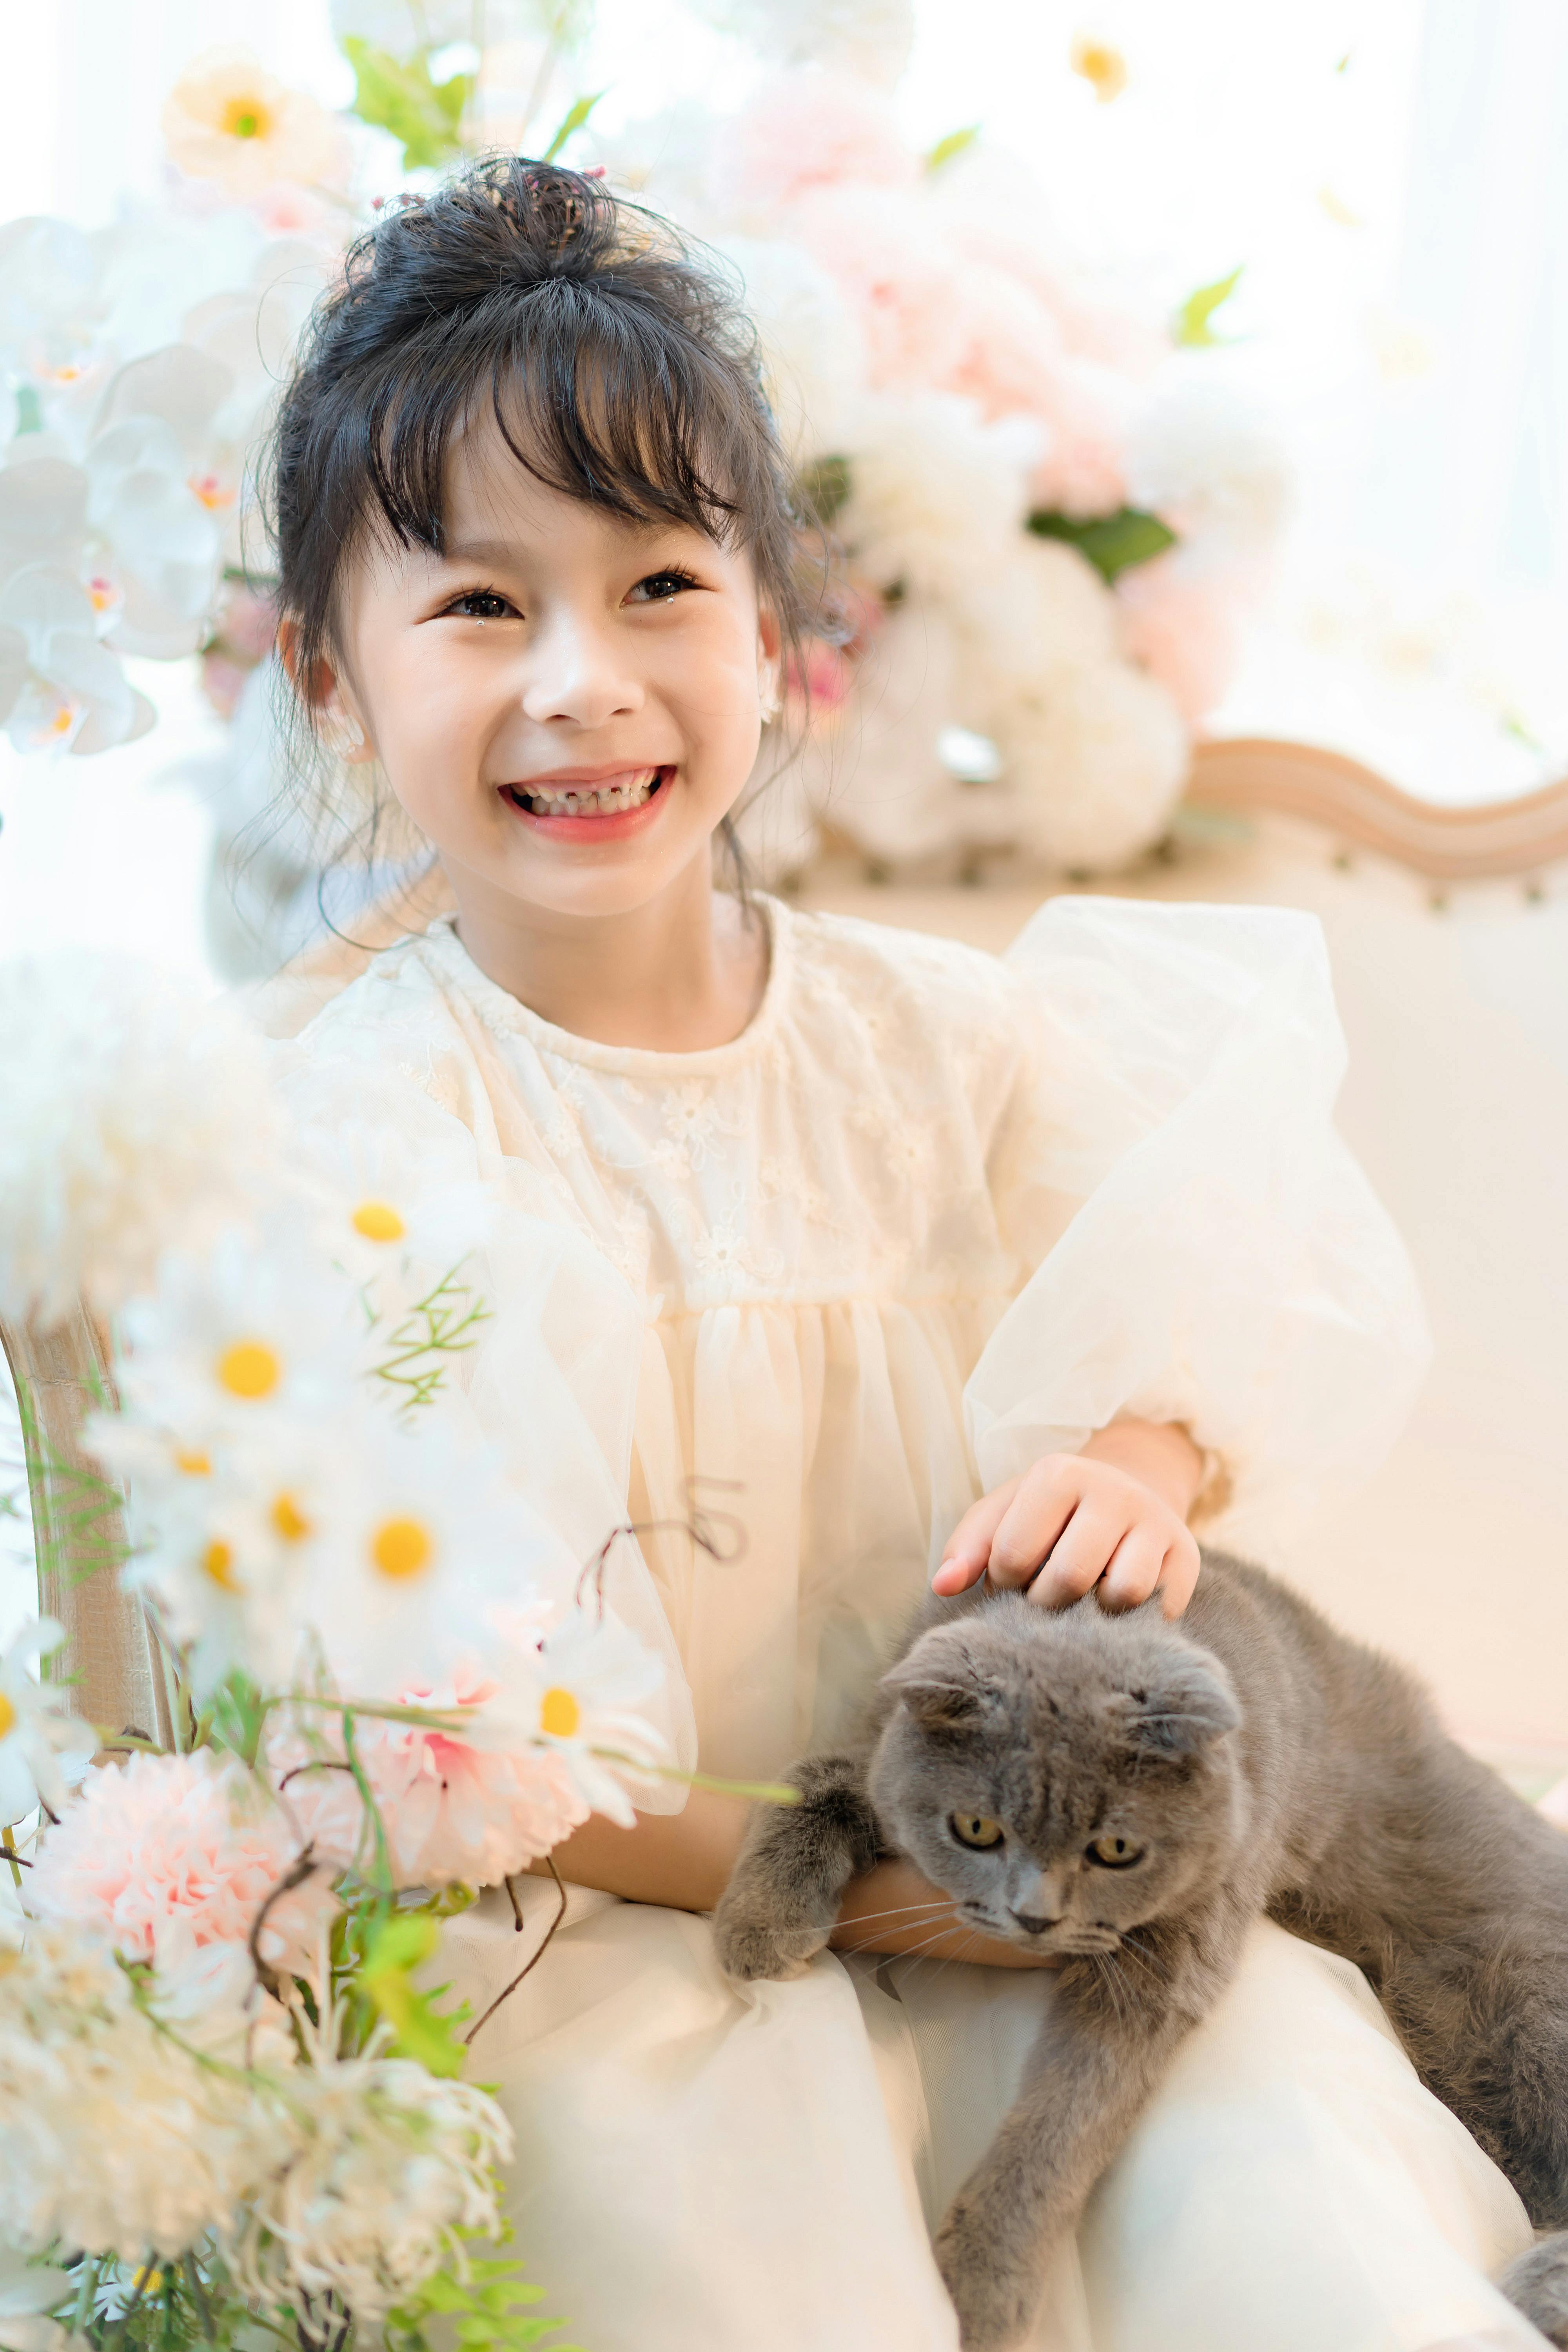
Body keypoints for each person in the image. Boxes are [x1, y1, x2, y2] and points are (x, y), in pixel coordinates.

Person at [259, 158, 1541, 2352]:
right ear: (328, 680)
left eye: (660, 585)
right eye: (479, 608)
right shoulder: (357, 1133)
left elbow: (1196, 1313)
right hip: (652, 1955)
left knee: (1282, 2223)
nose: (586, 681)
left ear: (777, 641)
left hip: (1049, 1923)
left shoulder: (942, 1042)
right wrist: (852, 1893)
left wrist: (1134, 1462)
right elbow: (432, 1731)